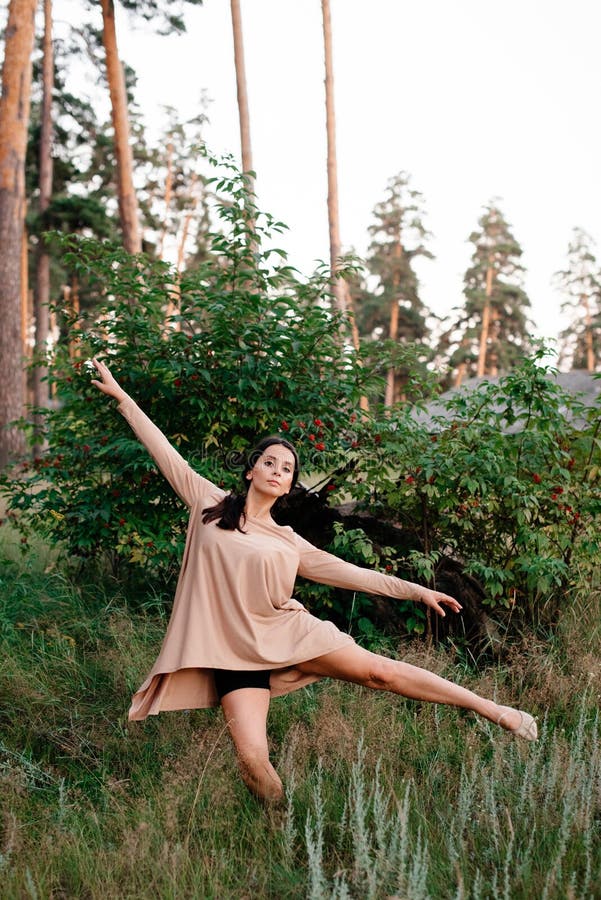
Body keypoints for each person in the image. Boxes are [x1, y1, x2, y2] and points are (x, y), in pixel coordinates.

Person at [91, 359, 538, 802]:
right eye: (269, 463)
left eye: (286, 469)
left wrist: (415, 589)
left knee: (380, 673)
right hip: (232, 655)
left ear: (287, 486)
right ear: (251, 470)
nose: (277, 471)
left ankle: (494, 711)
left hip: (288, 632)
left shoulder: (290, 542)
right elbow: (162, 448)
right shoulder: (207, 502)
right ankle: (281, 832)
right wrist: (122, 398)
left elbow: (354, 575)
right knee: (252, 761)